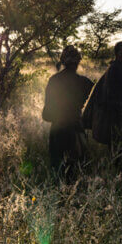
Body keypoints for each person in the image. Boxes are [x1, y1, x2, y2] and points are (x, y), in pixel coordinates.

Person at [83, 41, 122, 154]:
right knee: (116, 140)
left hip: (113, 110)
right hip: (112, 112)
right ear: (116, 53)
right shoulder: (116, 69)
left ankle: (115, 159)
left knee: (114, 141)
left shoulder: (117, 68)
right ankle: (116, 161)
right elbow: (119, 95)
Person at [42, 45, 94, 173]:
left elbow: (47, 113)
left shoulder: (54, 80)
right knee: (77, 166)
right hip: (76, 126)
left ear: (63, 61)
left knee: (58, 165)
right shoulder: (85, 82)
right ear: (78, 62)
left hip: (58, 127)